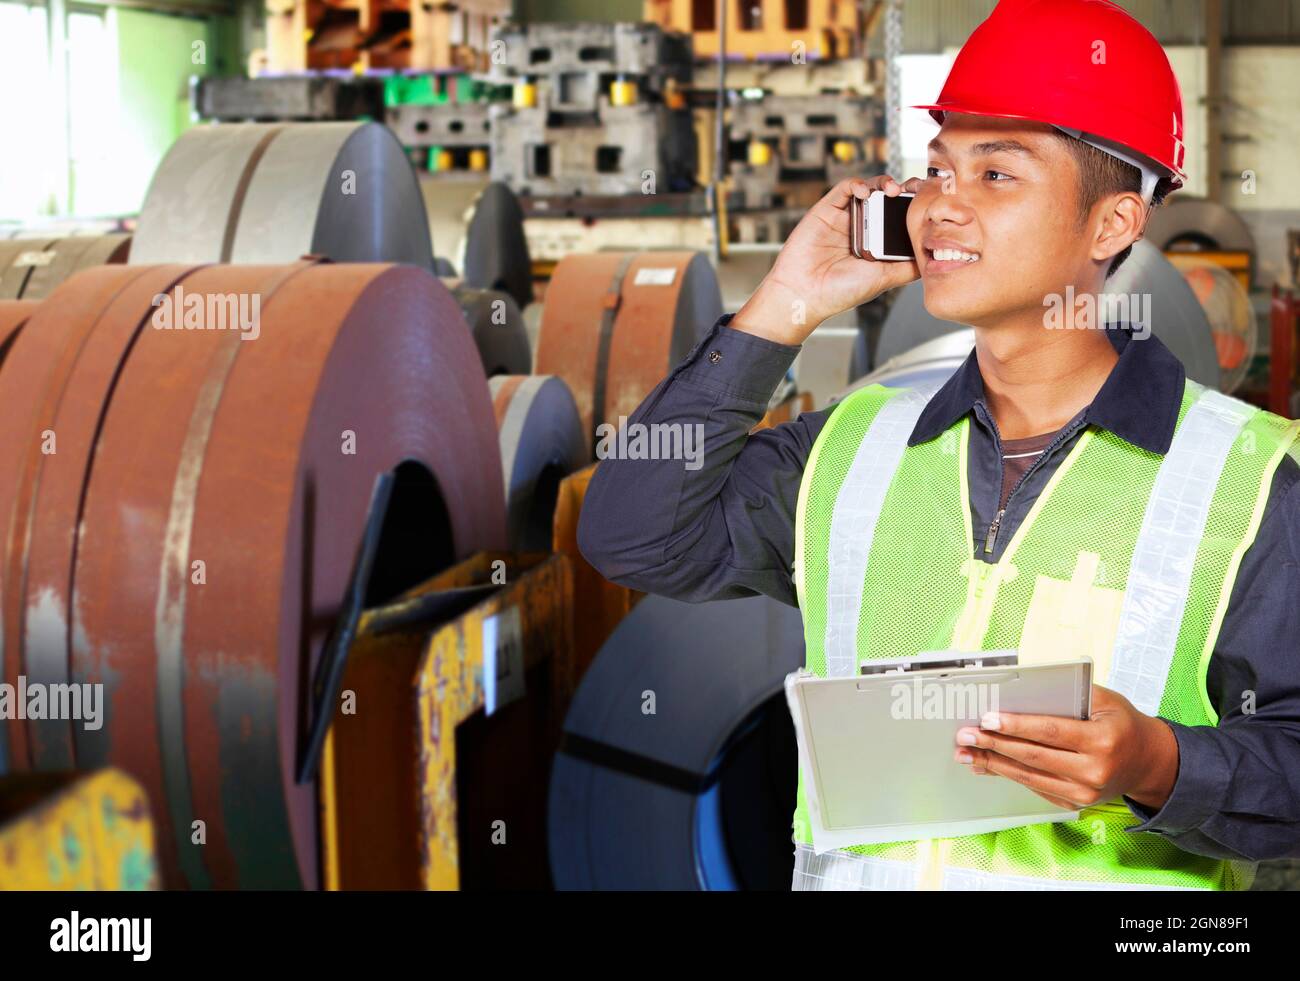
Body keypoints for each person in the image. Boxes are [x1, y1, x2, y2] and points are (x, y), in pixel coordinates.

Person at [578, 0, 1300, 890]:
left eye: (996, 175)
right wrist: (785, 306)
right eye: (936, 169)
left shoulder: (1248, 480)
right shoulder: (852, 447)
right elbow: (632, 534)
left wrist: (1157, 765)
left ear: (1111, 225)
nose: (941, 206)